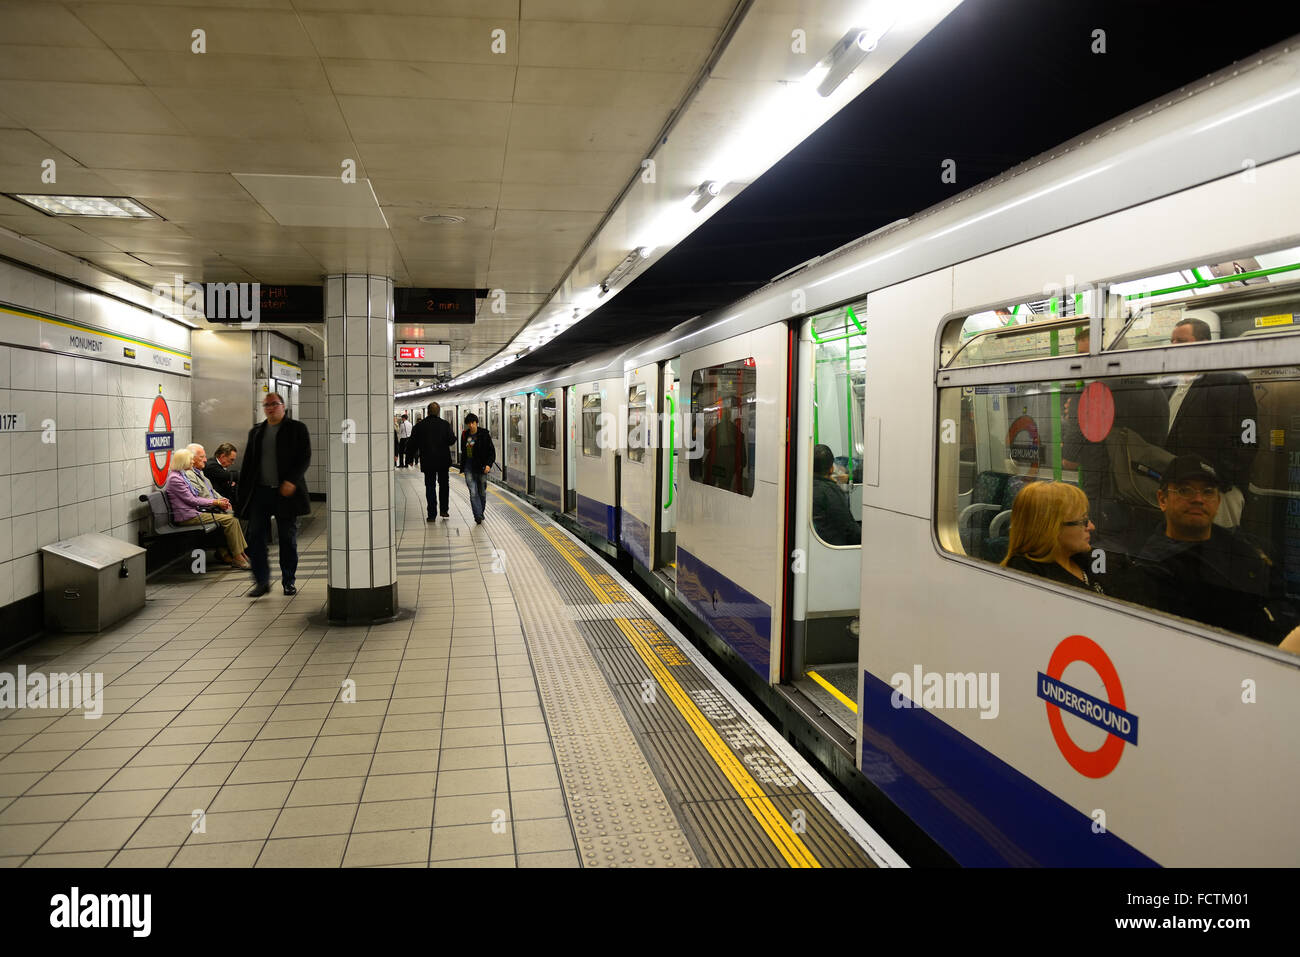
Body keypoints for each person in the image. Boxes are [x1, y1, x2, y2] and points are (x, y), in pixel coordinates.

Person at [1130, 454, 1297, 644]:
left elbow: (1278, 596)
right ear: (1162, 499)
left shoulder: (1241, 546)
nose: (1198, 499)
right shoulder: (1154, 567)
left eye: (1208, 492)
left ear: (1218, 502)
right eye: (1185, 491)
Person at [1164, 317, 1258, 526]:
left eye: (1181, 341)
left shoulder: (1228, 381)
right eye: (1172, 342)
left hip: (1216, 492)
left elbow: (1247, 439)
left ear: (1204, 344)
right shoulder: (1168, 384)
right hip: (1175, 488)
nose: (1174, 347)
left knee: (1215, 550)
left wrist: (1219, 480)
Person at [236, 392, 311, 597]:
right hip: (260, 493)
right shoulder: (257, 432)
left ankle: (289, 580)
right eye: (267, 405)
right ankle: (261, 581)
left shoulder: (296, 429)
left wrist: (291, 481)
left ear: (283, 406)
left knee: (287, 538)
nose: (270, 408)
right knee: (255, 537)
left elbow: (304, 457)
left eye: (274, 404)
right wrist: (242, 496)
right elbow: (248, 465)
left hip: (285, 493)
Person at [1000, 480, 1105, 594]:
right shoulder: (1026, 576)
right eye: (1083, 521)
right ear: (1051, 529)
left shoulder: (1084, 559)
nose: (1092, 527)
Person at [162, 449, 249, 569]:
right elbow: (192, 500)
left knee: (232, 518)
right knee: (231, 520)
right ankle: (238, 557)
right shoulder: (176, 479)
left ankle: (241, 554)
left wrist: (219, 500)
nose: (193, 462)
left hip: (193, 512)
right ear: (183, 461)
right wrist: (215, 502)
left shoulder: (181, 476)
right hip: (187, 516)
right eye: (190, 460)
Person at [409, 401, 457, 521]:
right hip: (443, 461)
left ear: (428, 411)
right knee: (444, 485)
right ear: (438, 411)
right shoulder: (445, 424)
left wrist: (409, 458)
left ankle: (431, 514)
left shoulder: (420, 426)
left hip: (428, 461)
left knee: (430, 486)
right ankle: (444, 510)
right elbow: (452, 440)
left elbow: (412, 443)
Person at [811, 444, 860, 546]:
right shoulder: (830, 492)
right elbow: (849, 529)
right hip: (835, 545)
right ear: (831, 469)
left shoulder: (804, 487)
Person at [459, 412, 496, 525]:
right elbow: (464, 451)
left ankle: (480, 512)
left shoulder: (484, 435)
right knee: (473, 492)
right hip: (468, 468)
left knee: (482, 492)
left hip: (481, 468)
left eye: (472, 423)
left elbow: (491, 452)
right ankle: (478, 516)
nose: (471, 425)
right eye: (468, 423)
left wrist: (489, 465)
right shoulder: (465, 435)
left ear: (476, 423)